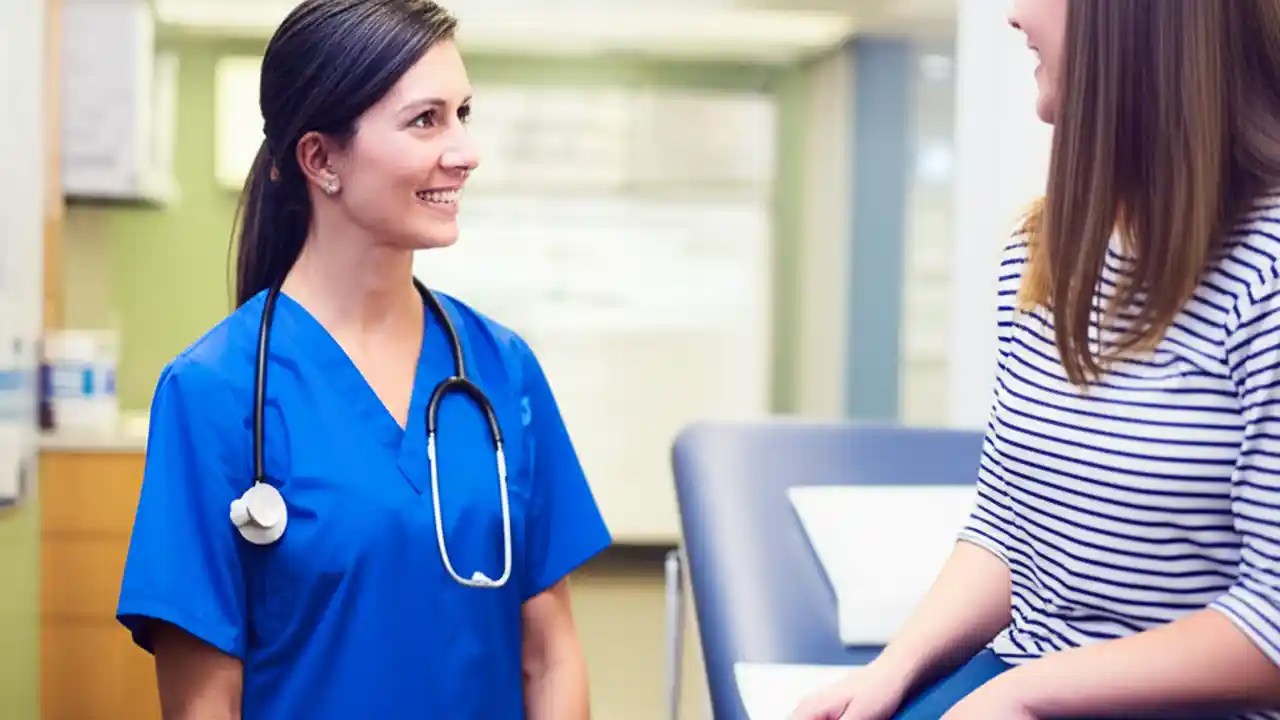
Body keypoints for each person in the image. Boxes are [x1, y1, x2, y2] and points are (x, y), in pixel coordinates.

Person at [114, 1, 612, 718]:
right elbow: (201, 704)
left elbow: (551, 654)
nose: (465, 150)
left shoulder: (502, 370)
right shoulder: (214, 393)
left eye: (464, 113)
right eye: (426, 119)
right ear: (321, 159)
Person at [793, 1, 1280, 718]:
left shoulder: (1265, 274)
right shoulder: (1047, 250)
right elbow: (1005, 525)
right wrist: (892, 670)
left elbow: (1273, 624)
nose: (1015, 15)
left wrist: (1023, 695)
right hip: (1029, 673)